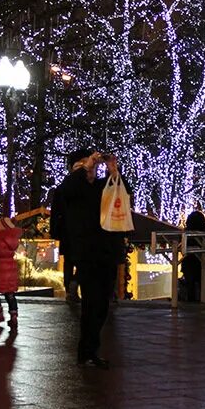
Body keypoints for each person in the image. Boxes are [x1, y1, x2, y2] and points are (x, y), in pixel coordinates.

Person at [57, 149, 132, 369]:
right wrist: (86, 167)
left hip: (106, 251)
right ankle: (87, 351)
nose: (89, 170)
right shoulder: (71, 189)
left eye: (91, 166)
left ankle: (91, 349)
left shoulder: (102, 188)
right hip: (85, 253)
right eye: (83, 167)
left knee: (102, 304)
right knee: (91, 302)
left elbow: (123, 192)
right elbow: (68, 189)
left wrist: (113, 171)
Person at [50, 155, 81, 303]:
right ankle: (73, 285)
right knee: (82, 260)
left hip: (67, 231)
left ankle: (69, 289)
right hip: (81, 231)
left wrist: (55, 231)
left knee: (69, 261)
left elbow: (55, 212)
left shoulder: (62, 189)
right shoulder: (87, 186)